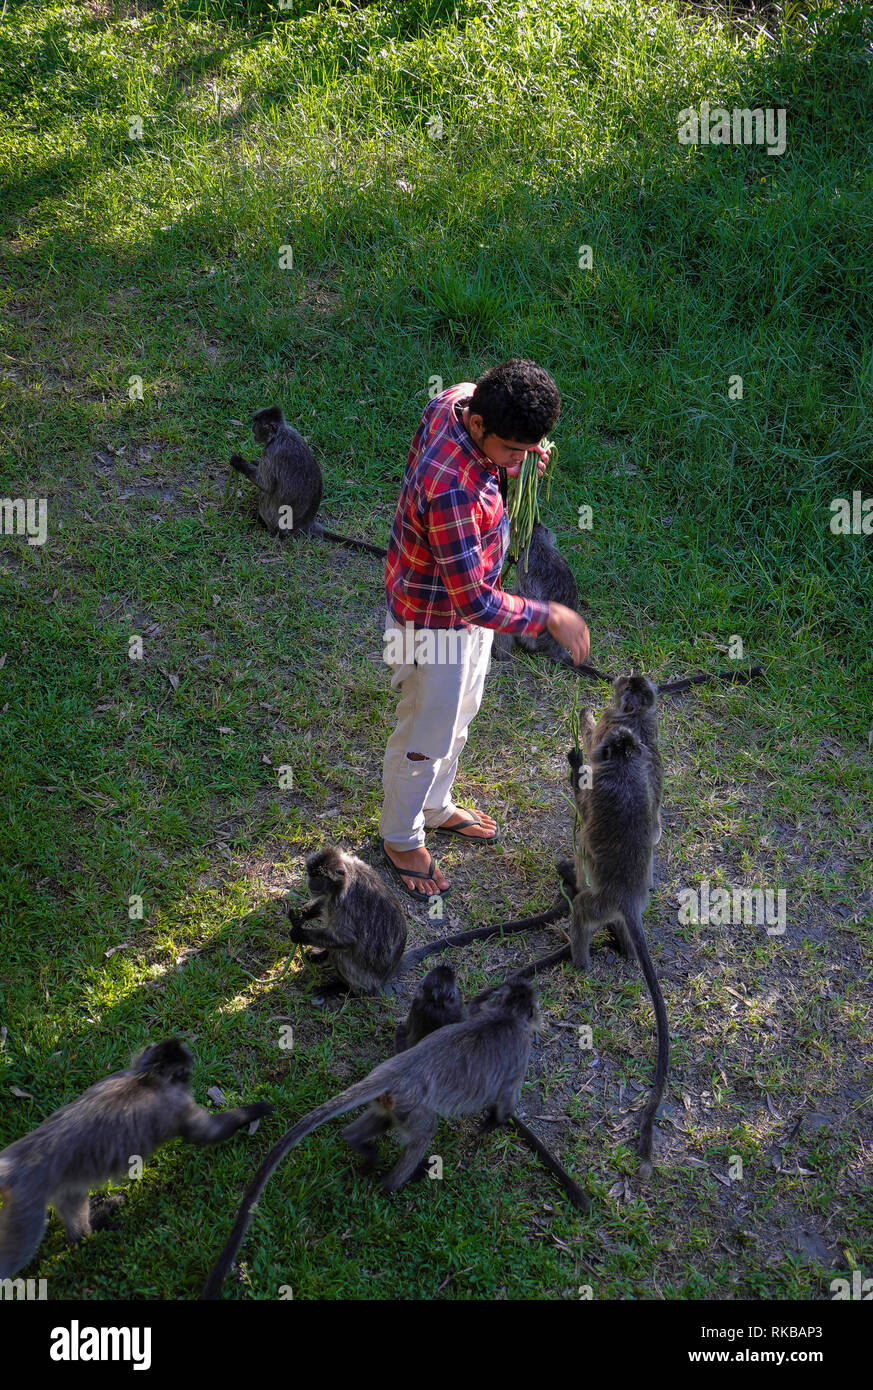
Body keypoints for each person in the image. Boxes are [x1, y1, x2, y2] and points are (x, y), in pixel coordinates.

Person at [380, 359, 591, 901]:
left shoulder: (460, 400)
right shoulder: (452, 488)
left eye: (528, 449)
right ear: (478, 427)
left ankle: (435, 804)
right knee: (424, 735)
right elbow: (472, 600)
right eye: (512, 451)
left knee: (461, 712)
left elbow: (480, 394)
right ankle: (401, 837)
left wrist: (521, 453)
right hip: (433, 621)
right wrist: (548, 615)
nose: (521, 461)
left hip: (464, 612)